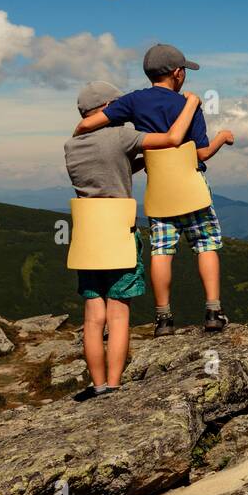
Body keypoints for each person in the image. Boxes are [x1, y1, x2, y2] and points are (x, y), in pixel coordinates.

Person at [73, 44, 234, 336]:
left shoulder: (134, 101)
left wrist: (79, 134)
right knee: (206, 245)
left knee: (161, 251)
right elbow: (200, 154)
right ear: (177, 73)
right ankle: (213, 310)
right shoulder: (189, 105)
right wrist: (223, 137)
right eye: (184, 70)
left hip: (158, 191)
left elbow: (88, 124)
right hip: (191, 187)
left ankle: (163, 318)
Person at [64, 81, 201, 401]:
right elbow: (172, 138)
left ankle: (97, 386)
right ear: (108, 108)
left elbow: (118, 166)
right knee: (119, 313)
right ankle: (113, 386)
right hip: (118, 233)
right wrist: (191, 104)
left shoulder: (71, 147)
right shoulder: (120, 136)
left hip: (86, 235)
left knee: (93, 317)